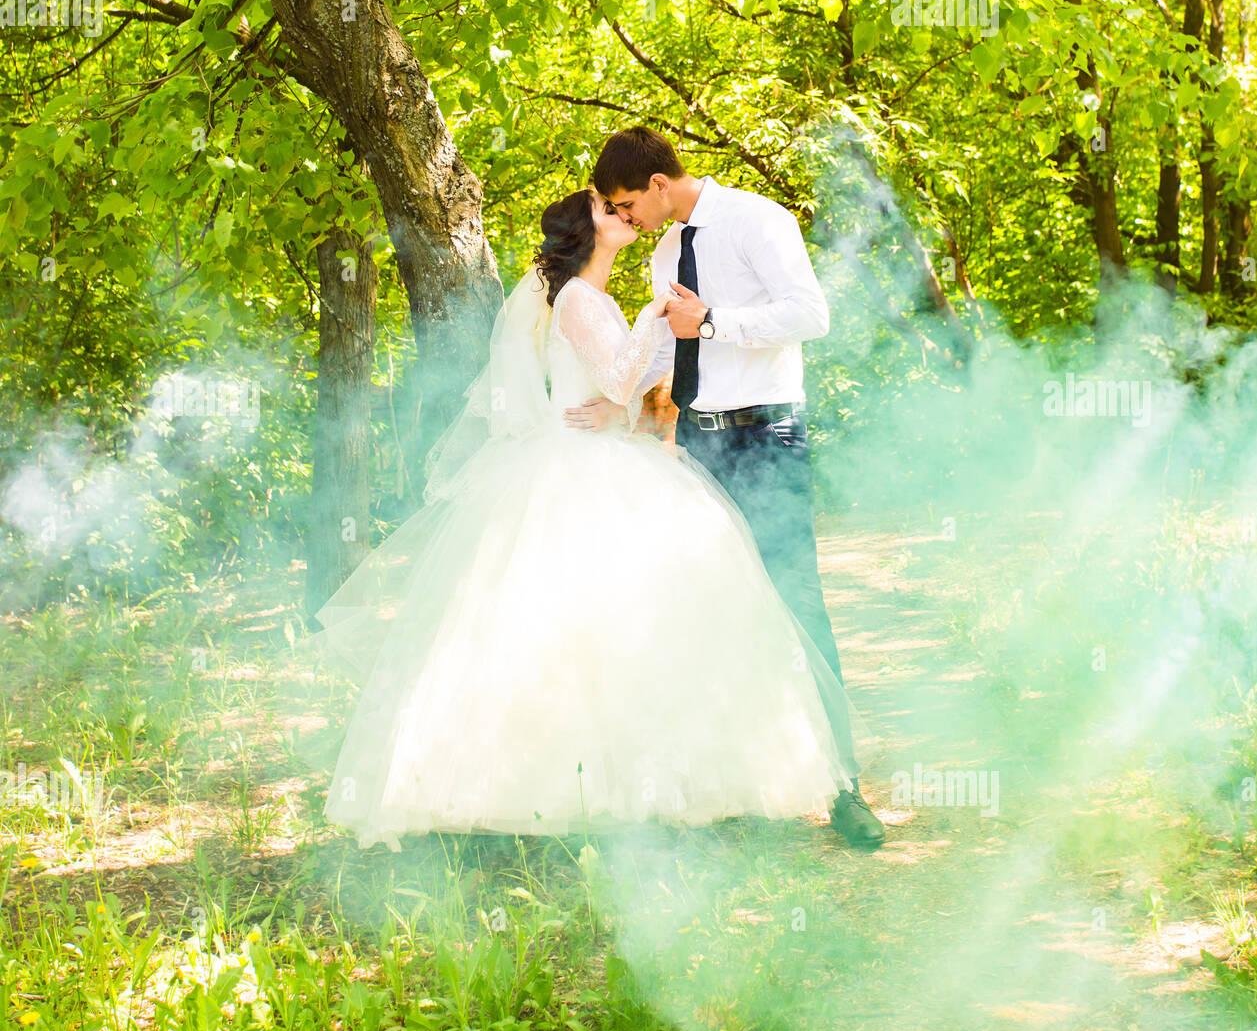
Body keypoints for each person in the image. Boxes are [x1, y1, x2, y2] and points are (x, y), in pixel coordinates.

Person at [298, 187, 868, 852]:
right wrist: (659, 317)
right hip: (578, 471)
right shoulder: (575, 299)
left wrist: (625, 394)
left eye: (624, 207)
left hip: (603, 452)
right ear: (583, 232)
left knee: (637, 626)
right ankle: (579, 791)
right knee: (584, 629)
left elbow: (616, 392)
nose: (624, 216)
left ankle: (653, 784)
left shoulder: (588, 300)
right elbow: (624, 377)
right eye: (608, 210)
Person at [573, 126, 884, 848]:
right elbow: (662, 348)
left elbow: (812, 314)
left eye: (627, 203)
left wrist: (713, 321)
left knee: (795, 599)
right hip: (702, 440)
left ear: (657, 182)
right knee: (715, 608)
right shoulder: (660, 253)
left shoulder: (756, 219)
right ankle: (743, 789)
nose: (626, 219)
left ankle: (846, 792)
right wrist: (616, 405)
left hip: (767, 432)